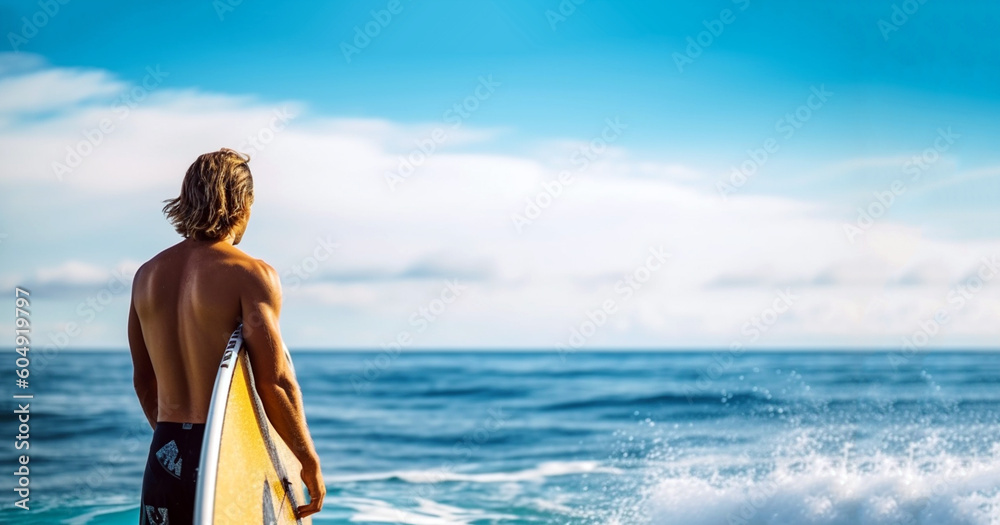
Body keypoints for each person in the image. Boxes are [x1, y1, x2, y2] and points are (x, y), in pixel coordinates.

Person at [127, 148, 325, 523]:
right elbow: (275, 382)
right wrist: (307, 459)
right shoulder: (250, 274)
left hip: (163, 454)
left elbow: (144, 380)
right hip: (225, 455)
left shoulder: (146, 277)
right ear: (242, 204)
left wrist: (178, 447)